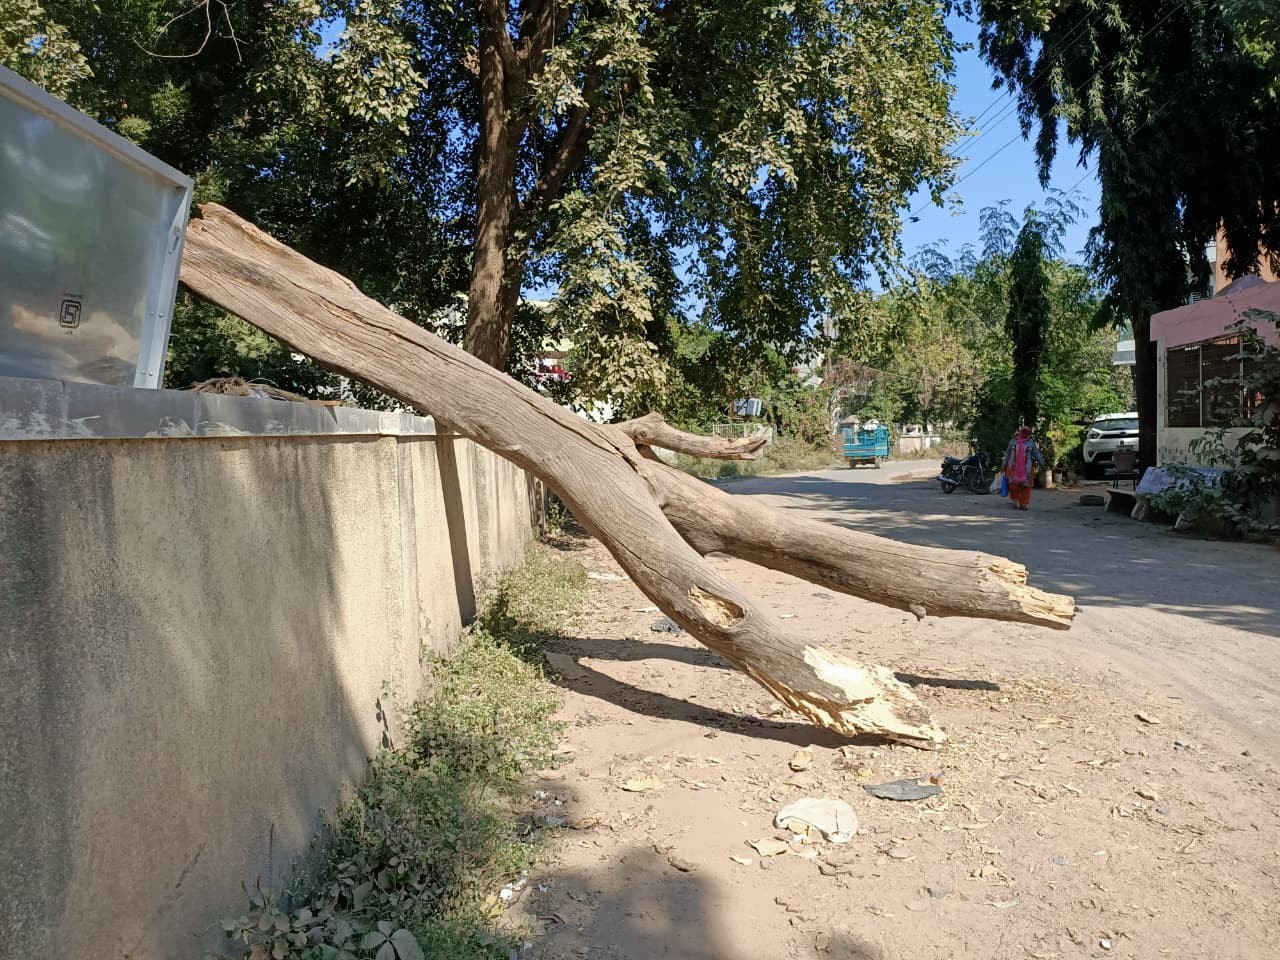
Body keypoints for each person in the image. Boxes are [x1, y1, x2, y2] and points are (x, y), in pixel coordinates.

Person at [1003, 424, 1045, 511]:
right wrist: (1004, 465)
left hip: (1027, 468)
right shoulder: (1013, 441)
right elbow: (1008, 454)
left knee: (1026, 486)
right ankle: (1015, 500)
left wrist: (1042, 463)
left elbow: (1036, 454)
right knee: (1012, 485)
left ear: (1029, 434)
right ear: (1020, 432)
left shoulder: (1030, 443)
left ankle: (1024, 504)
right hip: (1013, 467)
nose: (1025, 434)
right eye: (1023, 432)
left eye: (1027, 432)